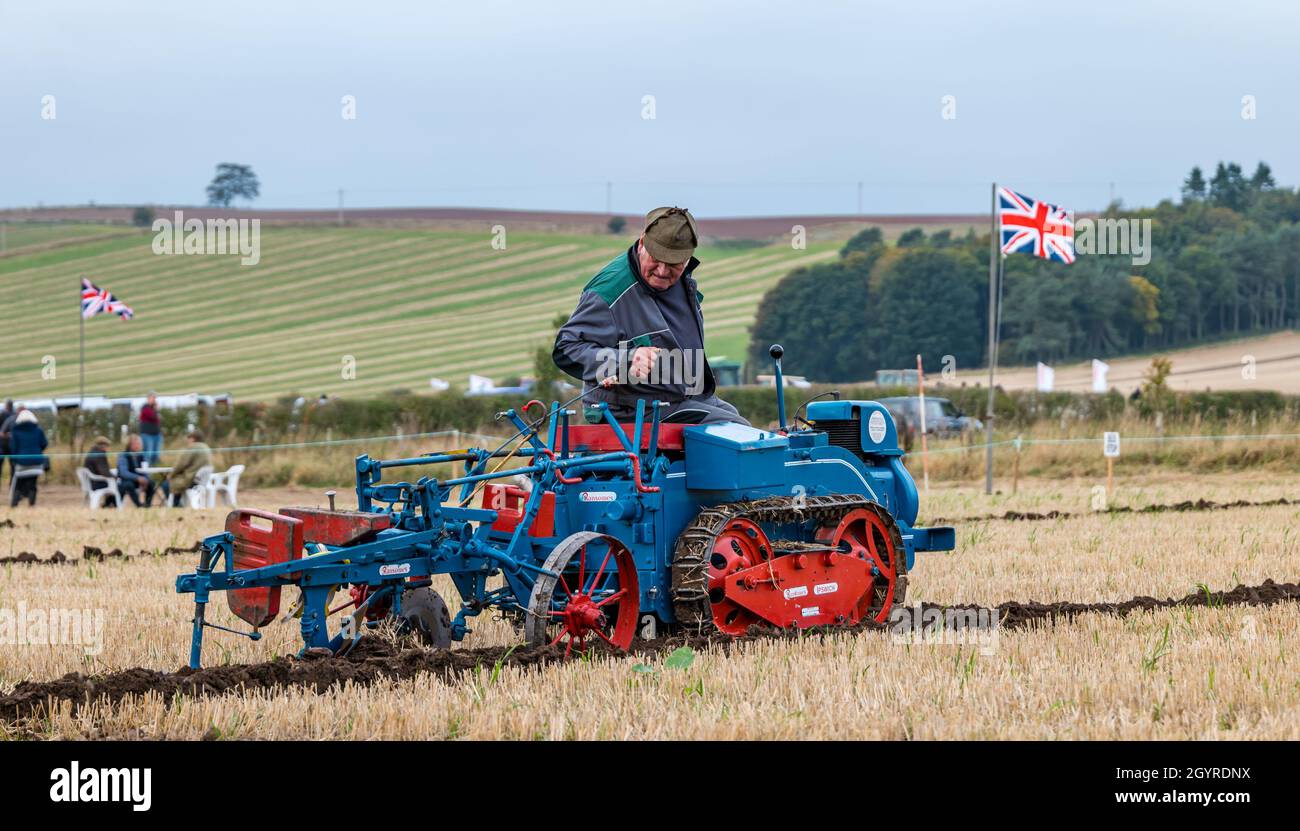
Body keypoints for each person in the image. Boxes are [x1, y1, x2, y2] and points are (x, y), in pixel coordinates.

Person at [552, 206, 749, 425]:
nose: (662, 271)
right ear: (642, 243)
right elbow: (566, 350)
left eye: (673, 263)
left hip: (682, 397)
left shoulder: (683, 282)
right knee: (733, 431)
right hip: (631, 410)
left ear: (688, 257)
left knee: (743, 427)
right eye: (656, 259)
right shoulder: (611, 291)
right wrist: (625, 360)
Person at [8, 409, 48, 507]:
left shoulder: (15, 431)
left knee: (18, 484)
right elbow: (44, 444)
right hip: (36, 463)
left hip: (21, 463)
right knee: (32, 484)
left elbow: (13, 448)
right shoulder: (38, 430)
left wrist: (14, 460)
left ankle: (14, 504)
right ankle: (31, 504)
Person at [166, 430, 213, 507]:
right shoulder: (206, 447)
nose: (187, 440)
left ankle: (176, 505)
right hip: (203, 480)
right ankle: (178, 504)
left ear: (193, 439)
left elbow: (181, 464)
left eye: (189, 438)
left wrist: (171, 475)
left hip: (193, 479)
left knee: (171, 483)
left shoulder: (193, 447)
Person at [117, 433, 162, 508]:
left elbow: (146, 470)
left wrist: (145, 479)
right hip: (126, 480)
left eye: (139, 444)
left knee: (151, 483)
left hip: (139, 480)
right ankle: (139, 505)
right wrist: (137, 478)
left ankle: (147, 505)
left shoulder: (142, 455)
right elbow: (124, 472)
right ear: (130, 445)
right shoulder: (123, 455)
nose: (139, 446)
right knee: (129, 485)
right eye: (136, 444)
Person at [139, 392, 162, 466]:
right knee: (148, 453)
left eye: (155, 398)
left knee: (156, 453)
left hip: (156, 434)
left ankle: (154, 467)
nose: (154, 400)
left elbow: (158, 420)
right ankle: (146, 467)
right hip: (147, 434)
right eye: (153, 398)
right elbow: (152, 416)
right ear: (148, 398)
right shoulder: (145, 407)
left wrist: (156, 411)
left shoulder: (154, 408)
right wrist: (156, 410)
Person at [0, 400, 16, 479]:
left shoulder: (2, 414)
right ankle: (12, 483)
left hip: (3, 444)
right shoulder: (15, 415)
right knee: (13, 465)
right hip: (11, 443)